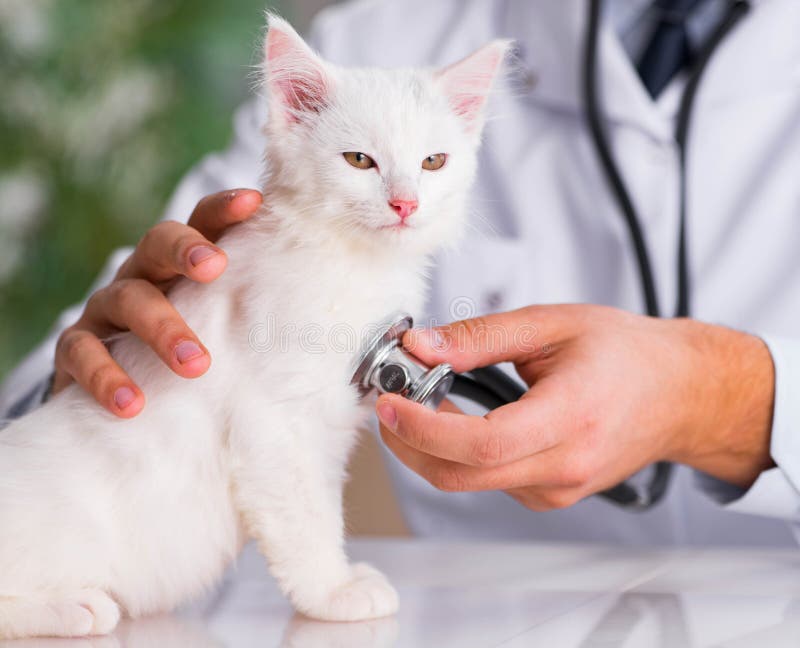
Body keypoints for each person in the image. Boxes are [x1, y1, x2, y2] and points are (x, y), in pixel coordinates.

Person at [2, 0, 799, 546]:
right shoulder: (383, 40)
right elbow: (95, 344)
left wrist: (726, 397)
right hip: (486, 613)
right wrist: (85, 398)